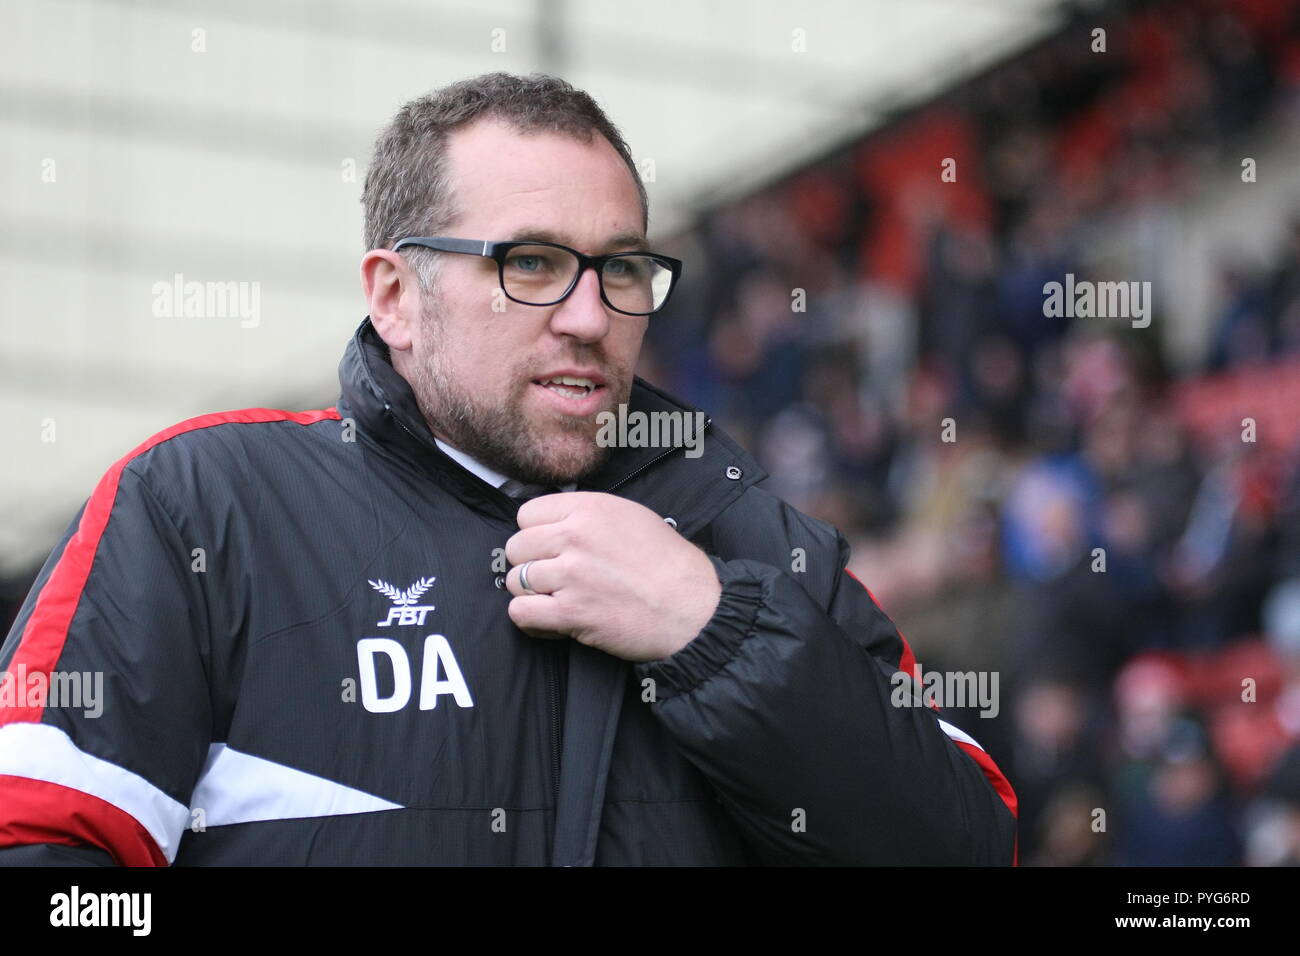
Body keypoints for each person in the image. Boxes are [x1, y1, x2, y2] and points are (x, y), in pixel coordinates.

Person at [0, 72, 1017, 865]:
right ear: (396, 295)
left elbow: (965, 842)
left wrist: (717, 637)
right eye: (528, 263)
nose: (588, 316)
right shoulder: (204, 509)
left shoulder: (749, 532)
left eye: (619, 266)